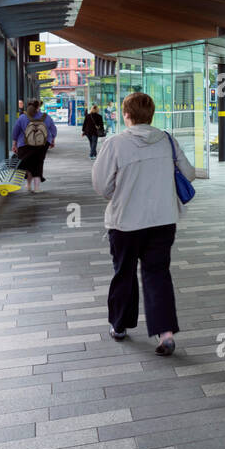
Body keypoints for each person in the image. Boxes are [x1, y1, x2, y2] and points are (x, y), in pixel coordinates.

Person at [91, 92, 195, 356]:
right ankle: (166, 333)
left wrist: (122, 189)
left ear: (126, 114)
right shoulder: (166, 141)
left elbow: (102, 186)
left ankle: (120, 325)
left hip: (125, 223)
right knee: (158, 274)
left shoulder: (115, 144)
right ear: (151, 114)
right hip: (163, 220)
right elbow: (189, 174)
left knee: (123, 273)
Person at [11, 99, 57, 193]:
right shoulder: (46, 117)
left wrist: (14, 144)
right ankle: (37, 188)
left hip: (24, 145)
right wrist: (52, 140)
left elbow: (15, 132)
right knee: (38, 164)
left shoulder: (22, 117)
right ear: (38, 107)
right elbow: (53, 129)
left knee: (27, 165)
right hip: (42, 144)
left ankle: (28, 185)